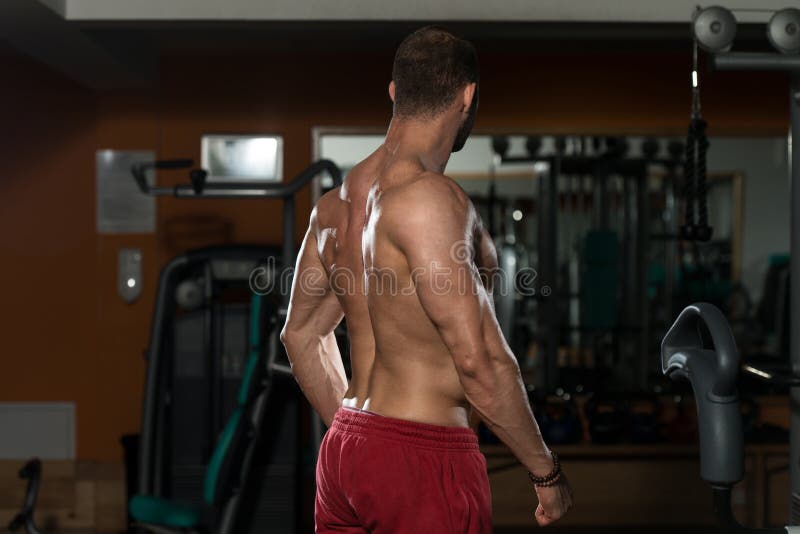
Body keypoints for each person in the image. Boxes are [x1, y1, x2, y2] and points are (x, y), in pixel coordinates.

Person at [280, 26, 573, 533]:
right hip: (420, 455)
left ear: (394, 93)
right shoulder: (432, 199)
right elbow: (478, 359)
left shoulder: (334, 206)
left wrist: (361, 438)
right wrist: (546, 471)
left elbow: (301, 334)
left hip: (345, 452)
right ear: (468, 97)